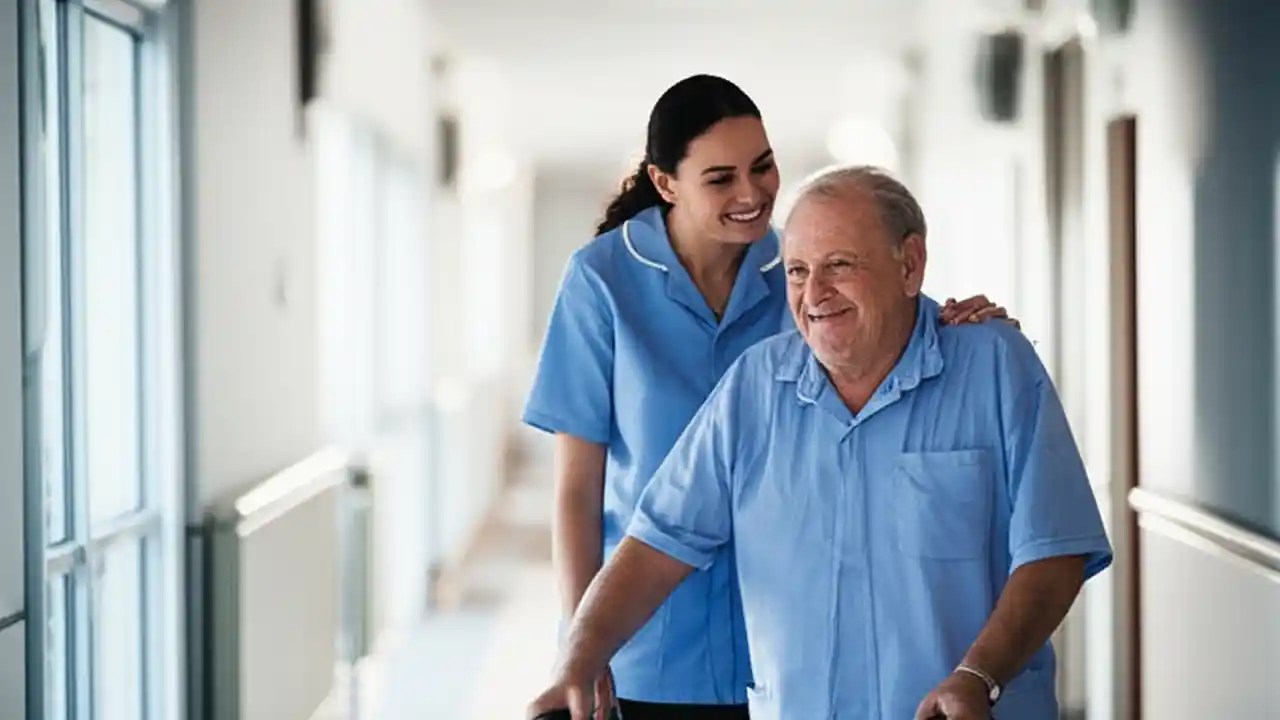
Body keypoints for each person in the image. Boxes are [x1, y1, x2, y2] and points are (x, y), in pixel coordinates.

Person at [526, 166, 1111, 720]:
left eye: (839, 265)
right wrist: (579, 653)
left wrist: (978, 675)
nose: (814, 293)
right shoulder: (753, 388)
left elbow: (1053, 552)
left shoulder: (994, 367)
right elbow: (656, 543)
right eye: (798, 271)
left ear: (910, 265)